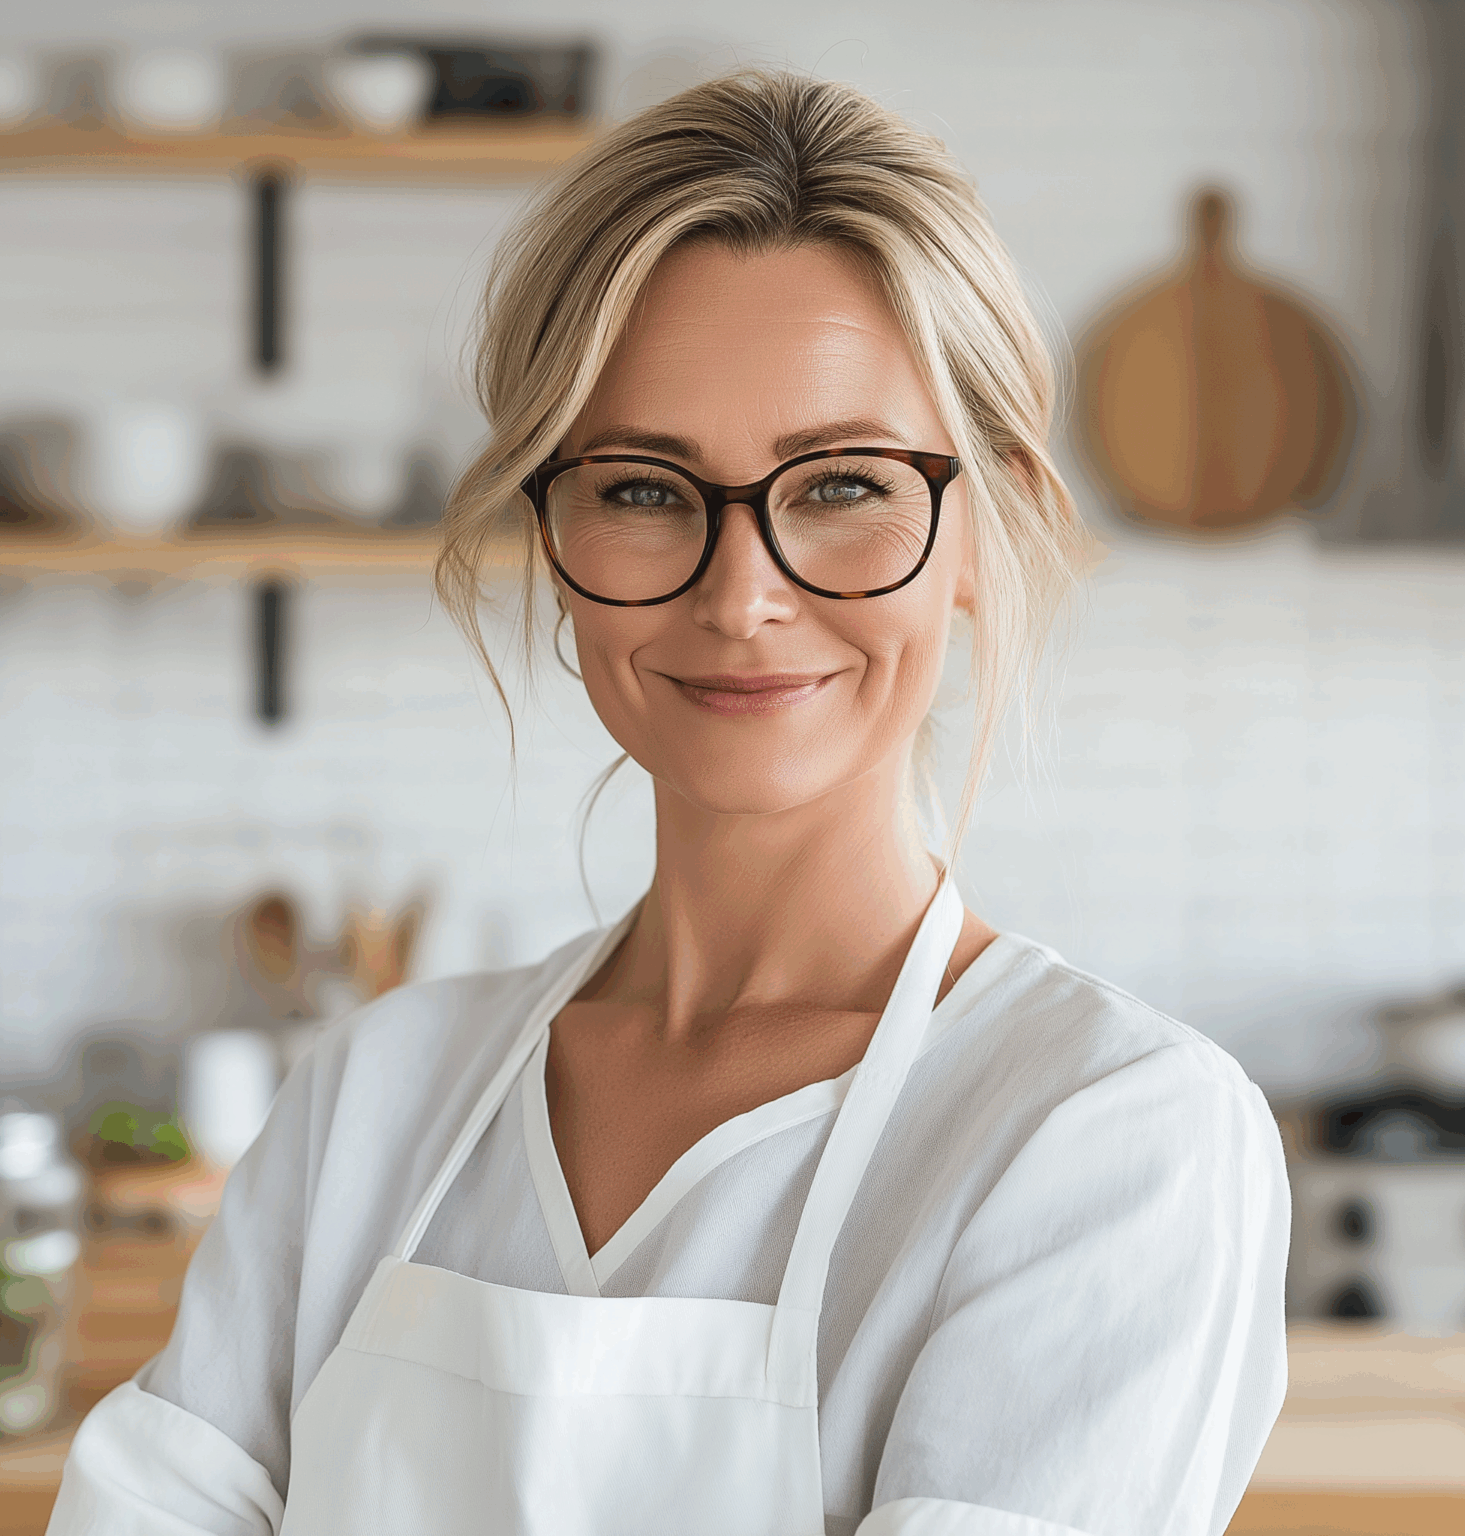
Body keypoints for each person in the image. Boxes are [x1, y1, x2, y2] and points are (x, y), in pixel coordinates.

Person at [49, 70, 1289, 1536]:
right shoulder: (369, 1105)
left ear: (985, 526)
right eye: (643, 489)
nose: (742, 594)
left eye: (841, 485)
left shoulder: (1106, 1137)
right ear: (554, 528)